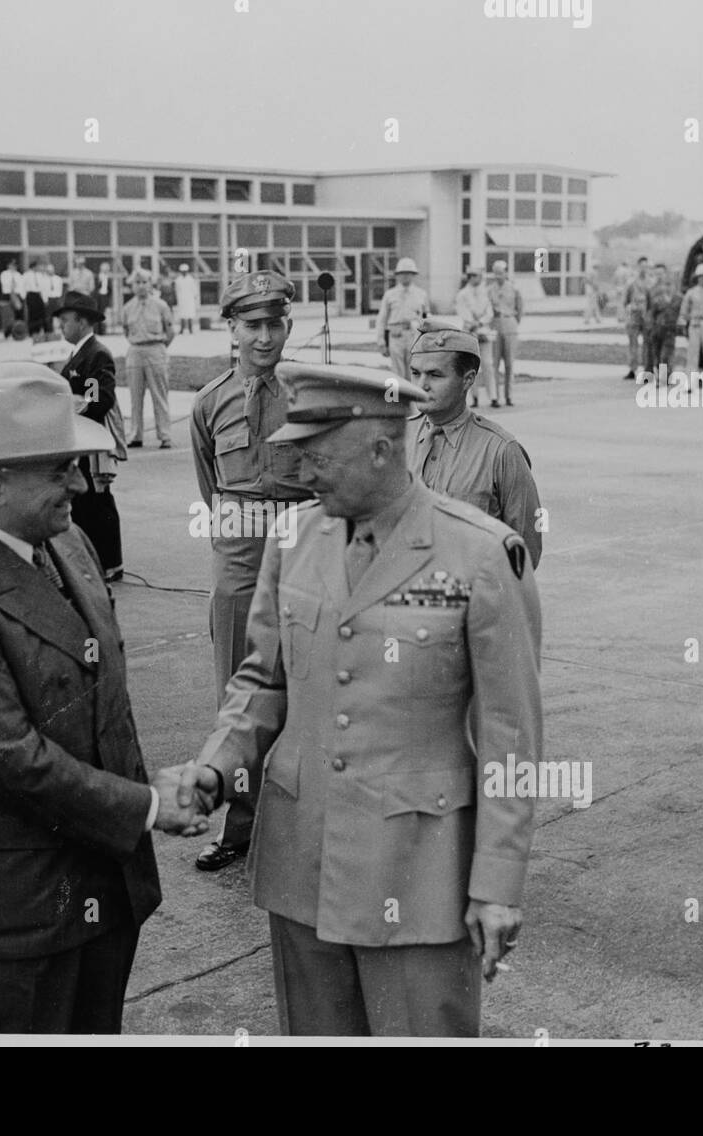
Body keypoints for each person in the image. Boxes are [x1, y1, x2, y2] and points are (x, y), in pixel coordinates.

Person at [175, 361, 542, 1036]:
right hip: (300, 860)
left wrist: (496, 884)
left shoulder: (481, 555)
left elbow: (511, 739)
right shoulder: (295, 539)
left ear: (380, 448)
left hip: (418, 872)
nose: (302, 474)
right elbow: (262, 681)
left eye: (317, 457)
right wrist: (215, 766)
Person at [0, 362, 204, 1033]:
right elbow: (16, 760)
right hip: (18, 905)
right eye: (58, 468)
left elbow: (108, 708)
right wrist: (152, 806)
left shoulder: (70, 541)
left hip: (105, 884)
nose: (79, 480)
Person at [189, 271, 313, 871]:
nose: (265, 337)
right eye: (253, 325)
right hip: (239, 551)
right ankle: (241, 826)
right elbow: (210, 486)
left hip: (302, 548)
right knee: (238, 693)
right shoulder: (209, 402)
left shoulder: (311, 394)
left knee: (312, 684)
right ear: (232, 329)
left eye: (276, 323)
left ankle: (306, 818)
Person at [407, 321, 543, 567]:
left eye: (435, 375)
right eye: (415, 373)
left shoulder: (501, 450)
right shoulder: (397, 439)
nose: (421, 385)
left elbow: (525, 549)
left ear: (468, 379)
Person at [57, 290, 125, 580]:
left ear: (83, 322)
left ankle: (110, 562)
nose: (61, 326)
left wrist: (73, 408)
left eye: (66, 320)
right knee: (86, 504)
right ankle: (99, 560)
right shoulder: (79, 353)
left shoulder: (96, 354)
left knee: (97, 502)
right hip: (81, 439)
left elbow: (100, 399)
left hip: (91, 440)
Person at [121, 268, 176, 449]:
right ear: (132, 286)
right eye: (137, 283)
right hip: (135, 351)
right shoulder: (127, 308)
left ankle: (165, 434)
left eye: (144, 282)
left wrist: (159, 348)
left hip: (155, 350)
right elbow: (126, 331)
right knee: (135, 397)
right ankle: (136, 434)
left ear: (150, 284)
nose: (141, 286)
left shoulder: (161, 305)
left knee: (159, 395)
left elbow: (170, 331)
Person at [375, 257, 429, 380]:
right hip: (396, 336)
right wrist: (381, 341)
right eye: (402, 274)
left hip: (413, 336)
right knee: (396, 372)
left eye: (408, 273)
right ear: (397, 276)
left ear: (414, 275)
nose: (405, 277)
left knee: (414, 371)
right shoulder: (390, 294)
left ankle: (412, 399)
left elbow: (427, 318)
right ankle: (395, 399)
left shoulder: (421, 294)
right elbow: (382, 319)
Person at [454, 269, 498, 409]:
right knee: (471, 367)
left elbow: (489, 312)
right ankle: (475, 397)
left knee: (488, 364)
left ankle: (493, 397)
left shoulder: (485, 293)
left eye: (479, 276)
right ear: (469, 277)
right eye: (474, 276)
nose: (477, 279)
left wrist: (480, 323)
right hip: (469, 331)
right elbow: (462, 311)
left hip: (484, 330)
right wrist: (471, 323)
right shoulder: (462, 294)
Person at [487, 260, 524, 405]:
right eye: (495, 273)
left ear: (506, 273)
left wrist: (514, 321)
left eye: (500, 273)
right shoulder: (489, 290)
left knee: (509, 362)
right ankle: (495, 397)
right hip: (495, 323)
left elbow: (520, 308)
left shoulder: (514, 288)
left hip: (509, 322)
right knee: (494, 363)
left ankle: (509, 396)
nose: (498, 276)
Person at [643, 265, 682, 379]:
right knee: (657, 354)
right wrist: (650, 326)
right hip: (657, 330)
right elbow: (650, 313)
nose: (668, 287)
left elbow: (683, 313)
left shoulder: (678, 299)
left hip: (670, 331)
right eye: (666, 285)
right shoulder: (657, 298)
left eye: (670, 285)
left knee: (666, 354)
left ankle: (666, 376)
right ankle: (659, 374)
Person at [621, 258, 652, 380]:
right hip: (634, 315)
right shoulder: (631, 282)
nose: (643, 269)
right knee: (633, 343)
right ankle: (632, 369)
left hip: (646, 315)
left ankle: (646, 369)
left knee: (647, 344)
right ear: (638, 267)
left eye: (646, 266)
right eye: (641, 266)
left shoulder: (651, 282)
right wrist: (629, 310)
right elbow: (625, 300)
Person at [20, 258, 50, 339]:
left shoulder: (40, 275)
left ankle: (45, 331)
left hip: (38, 295)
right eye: (37, 266)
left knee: (42, 313)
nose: (38, 268)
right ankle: (32, 332)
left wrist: (45, 299)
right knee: (32, 314)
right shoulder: (26, 275)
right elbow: (22, 286)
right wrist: (24, 297)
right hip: (30, 294)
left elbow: (43, 288)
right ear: (33, 266)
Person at [174, 263, 200, 334]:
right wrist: (177, 298)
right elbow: (177, 290)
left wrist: (195, 297)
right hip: (181, 299)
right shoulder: (178, 280)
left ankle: (190, 328)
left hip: (189, 299)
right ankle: (182, 329)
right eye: (182, 271)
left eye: (185, 271)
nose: (184, 272)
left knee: (190, 314)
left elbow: (194, 290)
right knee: (182, 314)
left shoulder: (191, 279)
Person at [0, 258, 24, 326]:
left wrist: (21, 296)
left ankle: (18, 327)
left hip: (17, 295)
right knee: (8, 313)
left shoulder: (18, 275)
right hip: (8, 294)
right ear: (8, 265)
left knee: (18, 313)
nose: (13, 266)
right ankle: (8, 329)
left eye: (15, 265)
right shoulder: (4, 274)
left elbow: (21, 285)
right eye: (12, 265)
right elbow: (5, 284)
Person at [95, 261, 115, 332]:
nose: (106, 270)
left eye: (107, 269)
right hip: (98, 296)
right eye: (104, 268)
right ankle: (97, 330)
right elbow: (95, 287)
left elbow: (110, 289)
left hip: (105, 296)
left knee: (103, 312)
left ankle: (102, 330)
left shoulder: (109, 277)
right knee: (98, 312)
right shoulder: (98, 276)